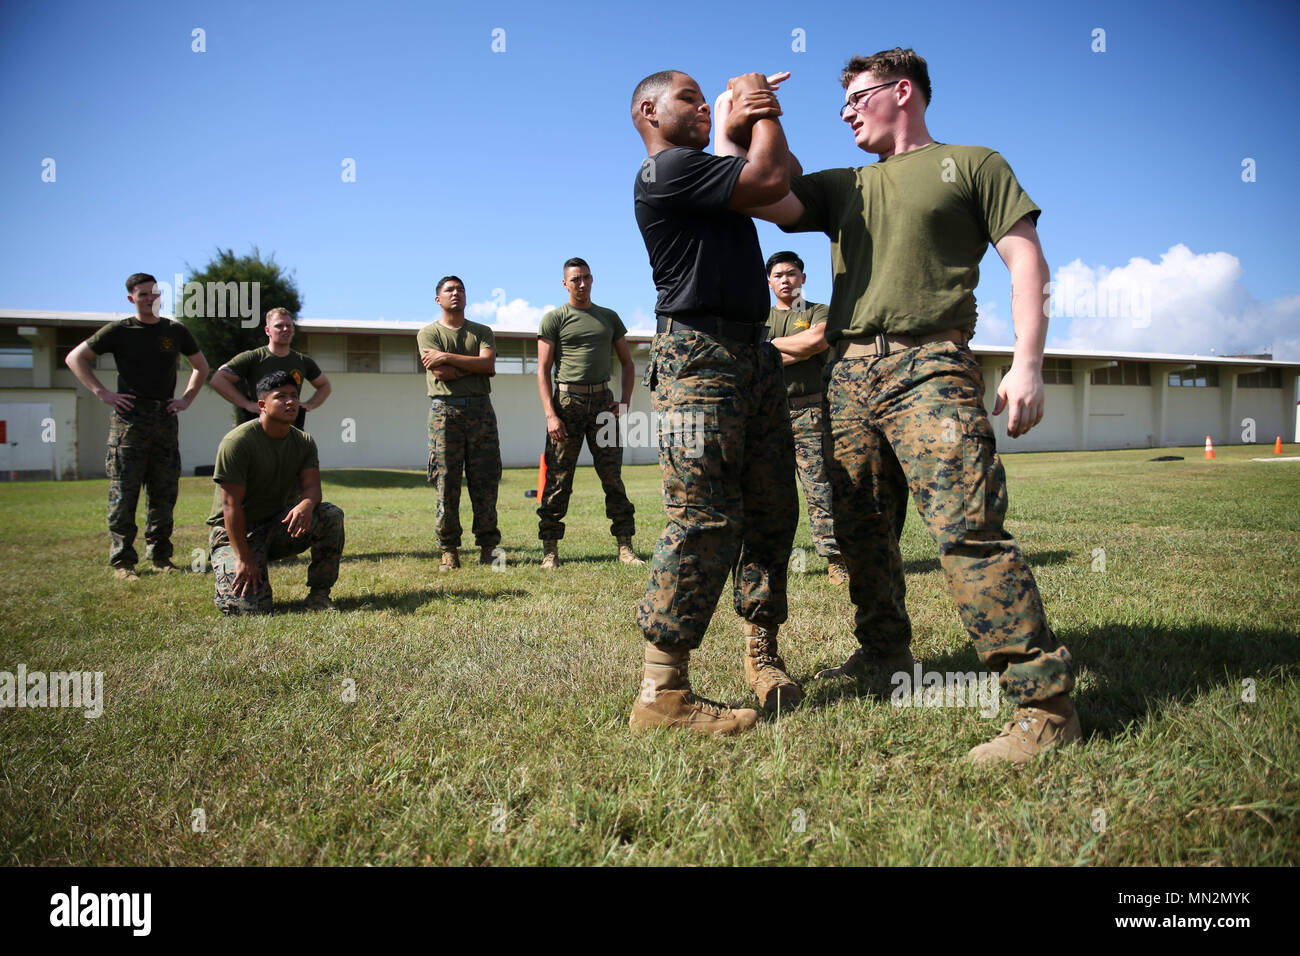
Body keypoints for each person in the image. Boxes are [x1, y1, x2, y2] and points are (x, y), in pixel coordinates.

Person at [734, 47, 1080, 764]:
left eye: (858, 97)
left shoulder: (974, 164)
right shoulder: (845, 186)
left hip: (931, 365)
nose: (848, 111)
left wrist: (1028, 361)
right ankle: (886, 654)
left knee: (965, 527)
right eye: (840, 104)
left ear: (904, 91)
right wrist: (754, 114)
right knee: (859, 529)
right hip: (848, 375)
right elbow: (764, 190)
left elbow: (1026, 259)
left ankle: (1044, 707)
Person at [627, 68, 800, 736]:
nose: (704, 108)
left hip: (751, 355)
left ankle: (763, 657)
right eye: (690, 100)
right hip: (697, 356)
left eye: (709, 99)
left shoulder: (704, 172)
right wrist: (757, 107)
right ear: (649, 110)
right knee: (701, 517)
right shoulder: (665, 171)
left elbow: (781, 184)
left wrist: (745, 117)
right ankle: (662, 692)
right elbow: (768, 179)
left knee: (769, 510)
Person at [66, 273, 210, 580]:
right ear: (131, 298)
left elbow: (202, 367)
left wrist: (186, 399)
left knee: (164, 492)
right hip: (129, 421)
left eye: (154, 292)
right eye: (143, 294)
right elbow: (75, 358)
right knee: (125, 492)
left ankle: (161, 557)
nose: (150, 298)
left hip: (164, 419)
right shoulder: (120, 330)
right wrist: (102, 393)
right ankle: (123, 561)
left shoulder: (175, 330)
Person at [206, 371, 344, 614]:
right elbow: (230, 506)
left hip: (276, 525)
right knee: (248, 610)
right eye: (281, 397)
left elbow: (312, 488)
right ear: (262, 405)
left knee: (330, 515)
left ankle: (319, 596)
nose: (291, 402)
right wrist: (244, 558)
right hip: (237, 533)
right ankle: (236, 567)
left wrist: (306, 504)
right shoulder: (238, 442)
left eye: (294, 396)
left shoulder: (303, 442)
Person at [535, 257, 643, 568]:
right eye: (574, 280)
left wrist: (623, 402)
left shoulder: (608, 317)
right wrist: (550, 414)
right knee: (558, 478)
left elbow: (628, 363)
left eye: (585, 278)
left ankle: (625, 546)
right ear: (565, 284)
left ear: (592, 279)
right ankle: (550, 551)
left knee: (613, 478)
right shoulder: (554, 319)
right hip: (567, 405)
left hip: (602, 405)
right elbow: (542, 370)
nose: (581, 284)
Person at [763, 251, 848, 584]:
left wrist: (768, 348)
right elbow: (751, 355)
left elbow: (816, 340)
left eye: (792, 273)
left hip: (810, 411)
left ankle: (834, 558)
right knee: (771, 490)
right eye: (779, 275)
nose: (786, 280)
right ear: (769, 282)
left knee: (819, 488)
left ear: (803, 278)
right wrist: (788, 349)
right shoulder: (760, 316)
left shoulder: (818, 311)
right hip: (770, 415)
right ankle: (773, 561)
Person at [417, 276, 502, 571]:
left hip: (481, 411)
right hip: (445, 413)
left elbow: (488, 365)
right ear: (438, 299)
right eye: (449, 290)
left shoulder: (482, 331)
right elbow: (441, 373)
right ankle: (448, 549)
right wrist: (472, 365)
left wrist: (452, 359)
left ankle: (488, 548)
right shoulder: (428, 333)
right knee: (446, 482)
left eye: (461, 289)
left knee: (485, 481)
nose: (456, 294)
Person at [209, 307, 331, 429]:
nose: (285, 329)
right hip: (259, 429)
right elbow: (218, 380)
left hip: (292, 430)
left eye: (289, 326)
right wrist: (246, 404)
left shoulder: (302, 361)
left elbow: (324, 386)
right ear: (268, 330)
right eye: (279, 326)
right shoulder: (253, 357)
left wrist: (309, 405)